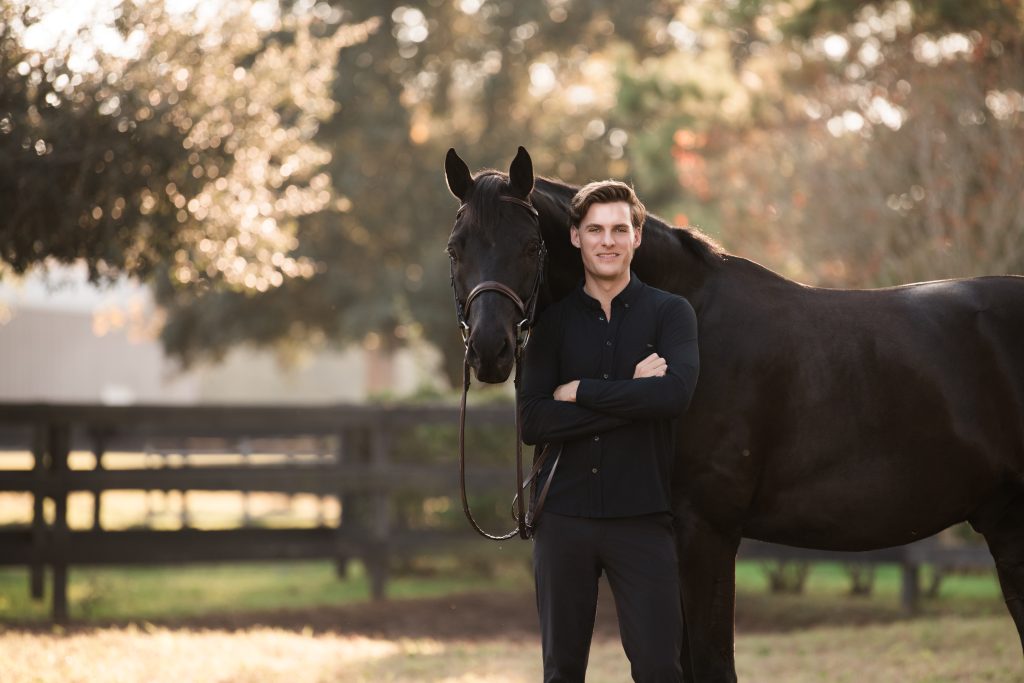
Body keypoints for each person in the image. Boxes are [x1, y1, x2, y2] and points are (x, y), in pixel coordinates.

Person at [519, 180, 699, 683]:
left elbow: (673, 397)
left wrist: (580, 392)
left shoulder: (671, 314)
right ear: (575, 237)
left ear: (637, 237)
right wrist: (631, 396)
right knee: (562, 671)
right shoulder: (549, 327)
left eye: (620, 229)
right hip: (562, 521)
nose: (608, 241)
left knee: (661, 668)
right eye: (595, 229)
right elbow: (533, 421)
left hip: (642, 519)